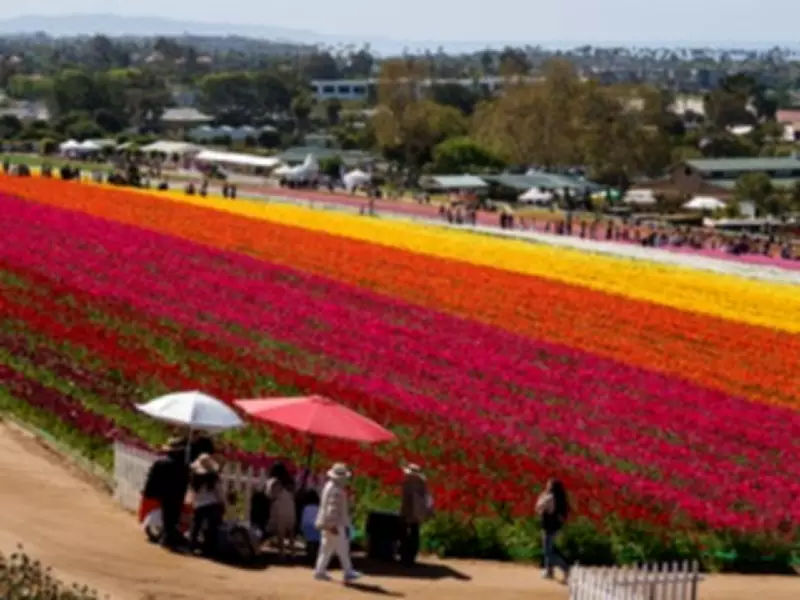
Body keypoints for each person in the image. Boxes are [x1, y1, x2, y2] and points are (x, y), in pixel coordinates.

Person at [313, 463, 361, 583]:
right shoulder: (337, 490)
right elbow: (332, 509)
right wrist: (332, 525)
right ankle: (348, 572)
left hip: (326, 522)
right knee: (343, 548)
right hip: (335, 523)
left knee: (326, 549)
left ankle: (320, 571)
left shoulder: (328, 486)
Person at [141, 437, 190, 550]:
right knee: (172, 517)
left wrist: (149, 491)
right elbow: (185, 482)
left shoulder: (161, 462)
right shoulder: (182, 465)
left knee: (168, 516)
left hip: (163, 493)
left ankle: (168, 537)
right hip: (176, 494)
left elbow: (152, 478)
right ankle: (168, 539)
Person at [188, 453, 224, 556]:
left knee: (196, 527)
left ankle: (192, 546)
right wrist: (222, 503)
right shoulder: (213, 478)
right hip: (212, 504)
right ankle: (209, 549)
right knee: (211, 528)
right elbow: (219, 492)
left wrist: (191, 502)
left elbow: (192, 492)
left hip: (199, 504)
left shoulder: (195, 478)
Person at [536, 478, 571, 582]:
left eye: (548, 484)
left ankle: (565, 568)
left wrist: (542, 495)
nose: (546, 486)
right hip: (555, 527)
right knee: (550, 548)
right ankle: (549, 571)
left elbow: (538, 507)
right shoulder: (559, 497)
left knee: (548, 552)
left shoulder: (549, 497)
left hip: (548, 526)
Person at [399, 463, 432, 566]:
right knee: (414, 532)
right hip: (417, 511)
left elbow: (407, 498)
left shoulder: (410, 482)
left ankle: (406, 556)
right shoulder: (421, 482)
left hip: (410, 511)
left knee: (406, 533)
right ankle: (410, 556)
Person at [266, 462, 297, 559]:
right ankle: (292, 551)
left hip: (279, 506)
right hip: (291, 506)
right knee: (291, 530)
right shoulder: (290, 481)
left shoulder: (274, 481)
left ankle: (282, 552)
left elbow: (270, 495)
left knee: (281, 531)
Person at [300, 489, 321, 562]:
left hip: (307, 527)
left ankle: (309, 557)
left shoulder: (306, 508)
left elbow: (303, 519)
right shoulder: (319, 508)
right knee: (317, 543)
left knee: (309, 542)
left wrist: (302, 528)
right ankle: (316, 557)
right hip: (317, 527)